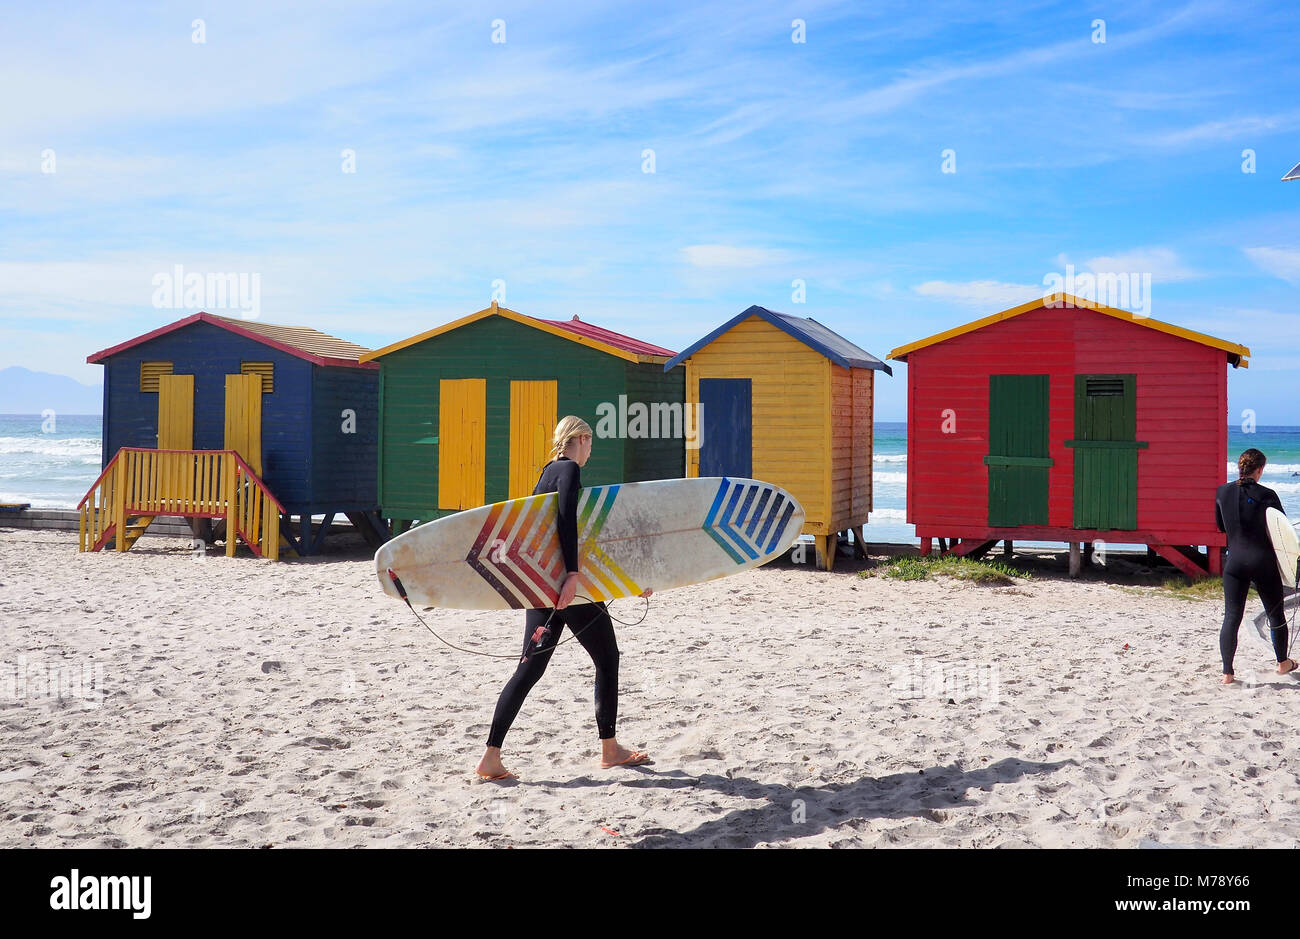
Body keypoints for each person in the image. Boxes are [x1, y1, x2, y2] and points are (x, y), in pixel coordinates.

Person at [475, 416, 652, 780]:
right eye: (591, 444)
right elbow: (567, 523)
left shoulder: (547, 472)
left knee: (529, 669)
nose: (590, 452)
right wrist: (572, 576)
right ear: (582, 439)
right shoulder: (569, 470)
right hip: (565, 588)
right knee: (607, 658)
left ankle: (491, 757)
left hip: (541, 585)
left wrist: (625, 581)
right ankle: (610, 748)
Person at [1216, 448, 1293, 684]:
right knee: (1275, 614)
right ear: (1259, 469)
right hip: (1262, 561)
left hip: (1235, 562)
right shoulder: (1268, 495)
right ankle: (1282, 664)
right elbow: (1282, 533)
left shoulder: (1222, 492)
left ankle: (1228, 674)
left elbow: (1220, 527)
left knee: (1231, 617)